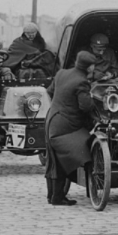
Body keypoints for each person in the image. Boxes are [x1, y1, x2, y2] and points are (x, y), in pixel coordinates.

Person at [43, 50, 100, 206]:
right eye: (93, 66)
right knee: (76, 150)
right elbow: (85, 106)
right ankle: (58, 197)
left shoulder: (61, 73)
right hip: (67, 127)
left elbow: (49, 91)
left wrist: (59, 105)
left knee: (54, 159)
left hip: (52, 120)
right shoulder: (82, 81)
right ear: (89, 67)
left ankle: (53, 196)